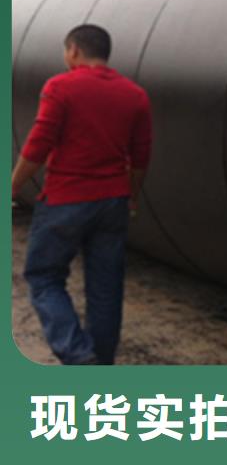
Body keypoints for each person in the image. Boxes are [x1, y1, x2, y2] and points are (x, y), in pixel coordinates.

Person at [11, 24, 152, 365]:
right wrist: (131, 196)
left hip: (66, 200)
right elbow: (140, 157)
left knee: (44, 276)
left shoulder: (61, 87)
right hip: (113, 202)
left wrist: (12, 186)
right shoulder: (135, 95)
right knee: (106, 287)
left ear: (73, 50)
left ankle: (78, 356)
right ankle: (99, 366)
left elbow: (39, 145)